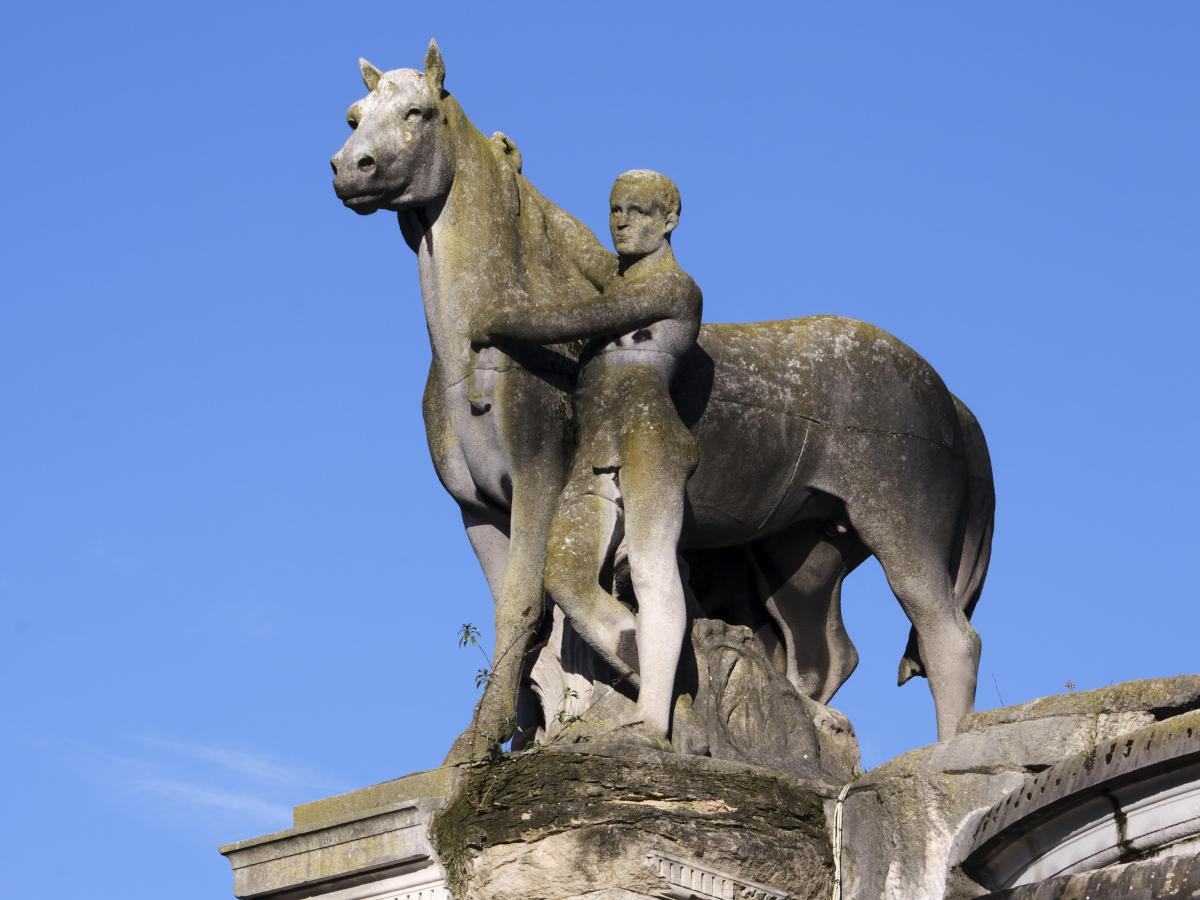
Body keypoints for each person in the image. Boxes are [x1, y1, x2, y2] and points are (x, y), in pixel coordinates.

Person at [472, 169, 701, 744]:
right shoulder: (618, 279)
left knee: (651, 568)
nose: (622, 221)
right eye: (616, 209)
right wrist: (518, 184)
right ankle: (663, 683)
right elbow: (577, 242)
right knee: (563, 575)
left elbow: (580, 320)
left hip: (649, 437)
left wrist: (499, 323)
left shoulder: (674, 288)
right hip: (597, 446)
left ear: (669, 220)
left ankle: (653, 715)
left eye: (639, 211)